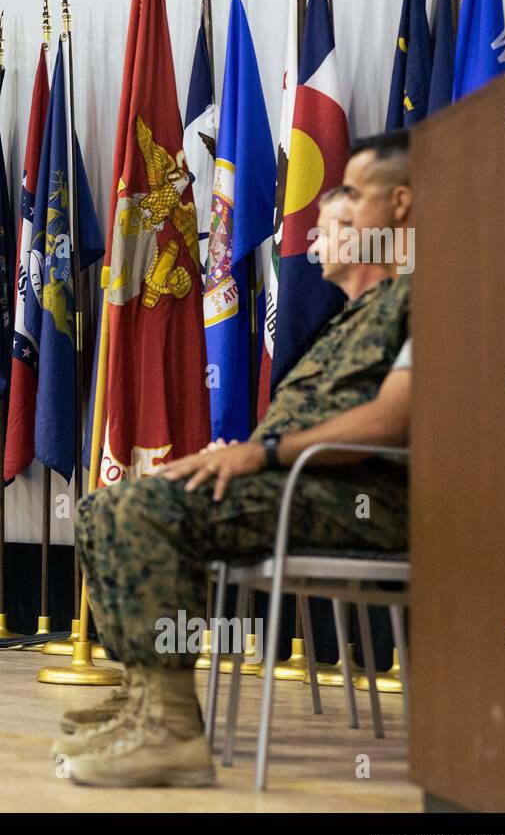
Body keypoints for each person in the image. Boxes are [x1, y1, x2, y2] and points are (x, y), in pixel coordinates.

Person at [56, 130, 414, 787]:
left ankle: (171, 733)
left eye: (354, 196)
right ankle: (147, 696)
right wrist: (240, 456)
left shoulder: (430, 299)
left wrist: (265, 453)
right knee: (106, 504)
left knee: (144, 509)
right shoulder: (353, 315)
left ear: (399, 204)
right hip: (302, 486)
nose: (329, 215)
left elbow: (392, 421)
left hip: (363, 499)